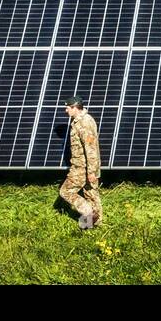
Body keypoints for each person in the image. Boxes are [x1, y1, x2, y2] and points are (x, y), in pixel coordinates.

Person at [59, 97, 102, 229]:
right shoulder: (79, 121)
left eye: (68, 108)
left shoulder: (84, 123)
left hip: (82, 168)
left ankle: (88, 213)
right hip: (87, 167)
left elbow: (91, 149)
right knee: (91, 195)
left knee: (65, 192)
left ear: (75, 107)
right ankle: (93, 226)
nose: (66, 110)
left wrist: (91, 172)